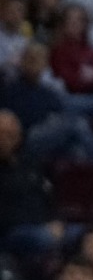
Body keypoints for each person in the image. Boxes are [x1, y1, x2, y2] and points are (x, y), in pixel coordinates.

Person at [2, 43, 93, 164]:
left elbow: (59, 112)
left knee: (76, 149)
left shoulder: (46, 91)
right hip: (26, 137)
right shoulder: (11, 89)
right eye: (31, 59)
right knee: (77, 123)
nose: (35, 64)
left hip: (47, 134)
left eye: (40, 60)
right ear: (23, 62)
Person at [0, 110, 74, 261]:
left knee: (88, 235)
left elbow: (49, 196)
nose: (5, 139)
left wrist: (57, 221)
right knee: (44, 238)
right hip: (12, 232)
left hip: (45, 227)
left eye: (10, 135)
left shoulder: (30, 162)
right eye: (2, 134)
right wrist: (43, 227)